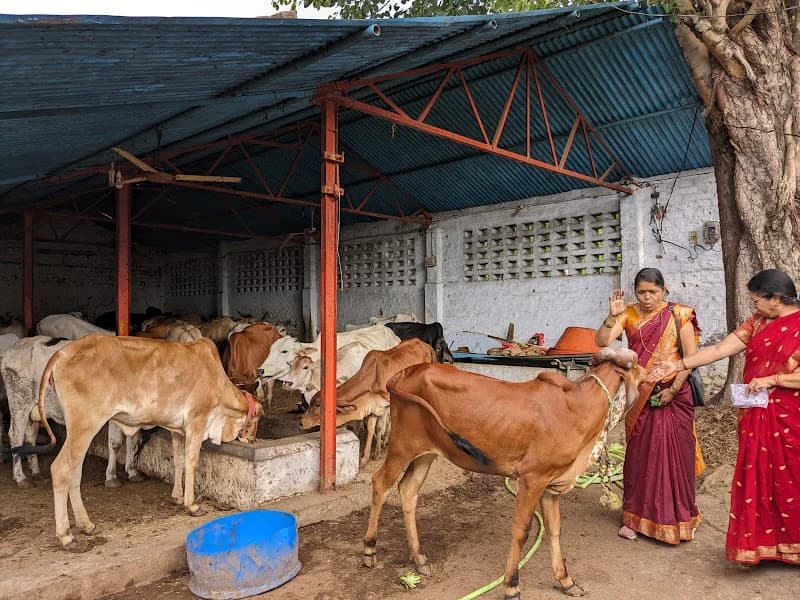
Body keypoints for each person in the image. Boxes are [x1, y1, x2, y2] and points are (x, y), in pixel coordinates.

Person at [651, 268, 800, 566]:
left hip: (789, 419)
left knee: (791, 479)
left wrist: (774, 380)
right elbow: (719, 349)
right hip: (757, 414)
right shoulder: (758, 323)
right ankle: (768, 546)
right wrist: (678, 365)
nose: (752, 305)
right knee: (761, 477)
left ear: (777, 299)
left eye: (757, 300)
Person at [595, 267, 704, 544]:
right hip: (640, 392)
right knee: (640, 455)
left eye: (652, 292)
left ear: (663, 291)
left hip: (674, 393)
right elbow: (602, 341)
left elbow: (690, 359)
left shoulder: (680, 314)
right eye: (641, 292)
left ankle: (679, 519)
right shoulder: (629, 314)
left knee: (675, 456)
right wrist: (613, 314)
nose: (647, 297)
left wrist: (674, 388)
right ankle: (634, 518)